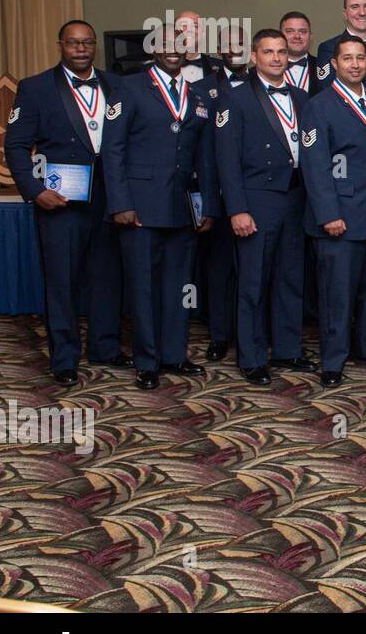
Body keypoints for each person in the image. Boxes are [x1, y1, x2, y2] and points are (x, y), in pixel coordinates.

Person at [5, 20, 130, 385]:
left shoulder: (116, 85)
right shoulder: (35, 88)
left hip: (110, 199)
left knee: (108, 277)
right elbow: (14, 145)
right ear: (61, 45)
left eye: (87, 43)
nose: (81, 49)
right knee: (61, 280)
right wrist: (33, 189)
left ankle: (105, 346)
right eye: (74, 43)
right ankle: (64, 356)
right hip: (59, 200)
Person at [101, 26, 218, 389]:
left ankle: (173, 355)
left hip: (182, 208)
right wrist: (120, 203)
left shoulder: (197, 95)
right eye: (166, 44)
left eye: (180, 45)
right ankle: (147, 361)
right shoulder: (129, 87)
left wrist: (207, 206)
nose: (173, 51)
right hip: (139, 208)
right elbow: (113, 149)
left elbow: (205, 157)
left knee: (178, 286)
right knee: (143, 287)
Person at [216, 28, 317, 386]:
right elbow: (225, 160)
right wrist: (237, 209)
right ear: (254, 57)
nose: (276, 58)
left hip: (295, 200)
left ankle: (288, 349)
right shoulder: (236, 98)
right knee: (253, 282)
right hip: (256, 201)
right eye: (268, 52)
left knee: (291, 279)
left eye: (281, 51)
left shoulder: (303, 98)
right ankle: (253, 357)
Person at [299, 36, 366, 387]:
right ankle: (333, 360)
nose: (355, 64)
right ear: (335, 64)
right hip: (339, 216)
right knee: (337, 295)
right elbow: (315, 164)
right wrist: (328, 213)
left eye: (360, 58)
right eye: (348, 59)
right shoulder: (318, 105)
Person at [197, 27, 252, 361]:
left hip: (257, 193)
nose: (236, 49)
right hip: (217, 191)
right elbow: (200, 150)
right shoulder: (202, 89)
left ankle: (255, 335)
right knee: (220, 270)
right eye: (229, 44)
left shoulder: (263, 85)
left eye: (241, 43)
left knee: (254, 270)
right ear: (219, 49)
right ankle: (219, 335)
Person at [281, 11, 315, 93]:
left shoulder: (322, 66)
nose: (297, 36)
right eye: (290, 31)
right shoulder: (264, 69)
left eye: (302, 31)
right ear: (280, 36)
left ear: (310, 36)